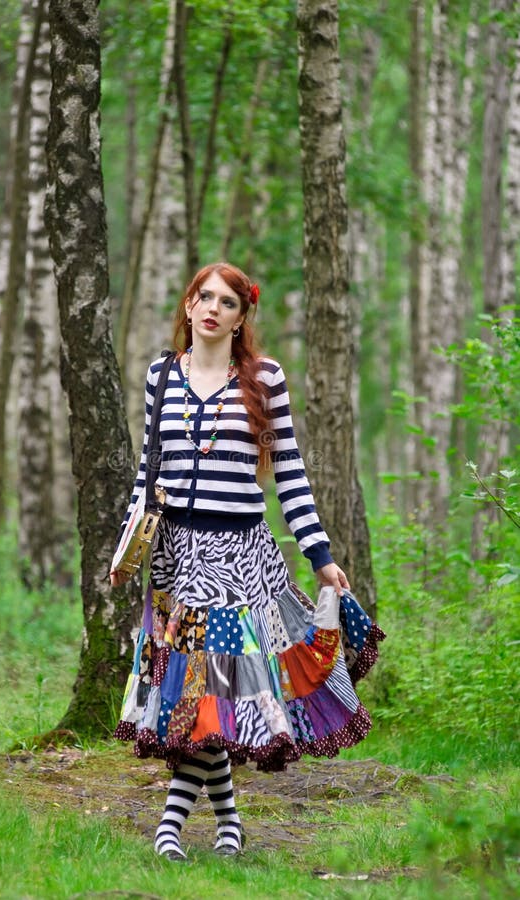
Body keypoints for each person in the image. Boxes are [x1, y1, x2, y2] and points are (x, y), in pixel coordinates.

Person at [110, 262, 384, 861]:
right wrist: (126, 543)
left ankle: (170, 826)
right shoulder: (161, 375)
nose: (212, 308)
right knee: (206, 693)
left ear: (241, 316)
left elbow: (289, 474)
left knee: (210, 691)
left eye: (227, 302)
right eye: (203, 297)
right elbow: (147, 470)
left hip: (240, 560)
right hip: (176, 557)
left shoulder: (265, 378)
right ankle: (230, 820)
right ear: (188, 307)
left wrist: (319, 555)